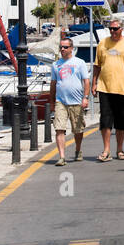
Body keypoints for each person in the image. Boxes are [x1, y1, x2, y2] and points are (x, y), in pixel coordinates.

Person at [94, 15, 124, 161]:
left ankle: (120, 149)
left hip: (123, 88)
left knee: (122, 121)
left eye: (115, 29)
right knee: (105, 120)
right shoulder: (102, 44)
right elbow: (97, 66)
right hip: (105, 87)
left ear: (121, 29)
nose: (112, 31)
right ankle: (106, 150)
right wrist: (94, 83)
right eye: (110, 29)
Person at [49, 36, 91, 165]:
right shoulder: (56, 65)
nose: (62, 49)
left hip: (76, 100)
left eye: (65, 47)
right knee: (59, 128)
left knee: (78, 130)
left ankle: (78, 150)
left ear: (71, 48)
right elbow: (53, 84)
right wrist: (52, 101)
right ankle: (61, 156)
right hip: (60, 101)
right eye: (61, 47)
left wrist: (85, 97)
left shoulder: (79, 63)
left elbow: (86, 81)